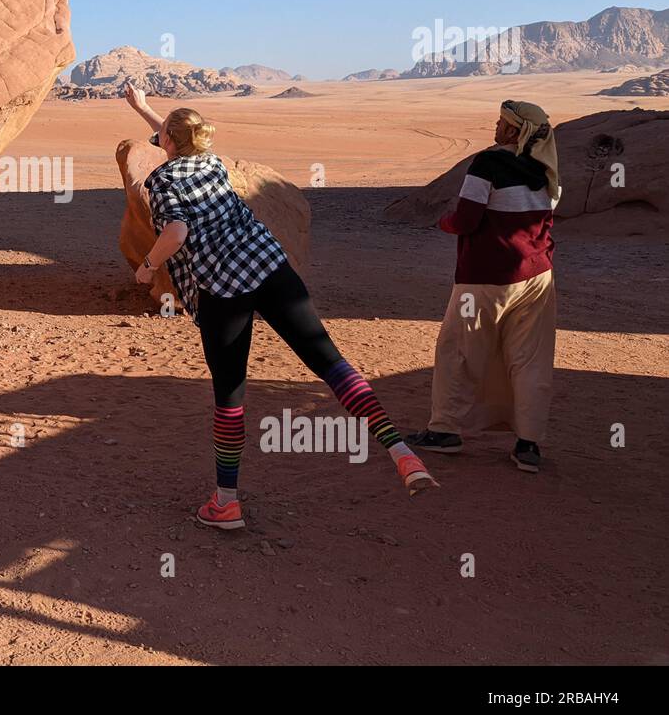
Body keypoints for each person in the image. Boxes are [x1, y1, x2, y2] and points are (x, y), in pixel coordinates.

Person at [123, 83, 436, 529]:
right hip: (269, 268)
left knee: (229, 397)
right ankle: (402, 453)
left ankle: (226, 502)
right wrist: (147, 110)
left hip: (222, 290)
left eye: (164, 136)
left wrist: (148, 264)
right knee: (330, 362)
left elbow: (176, 231)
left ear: (169, 142)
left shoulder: (164, 180)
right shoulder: (210, 162)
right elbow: (177, 141)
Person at [407, 100, 559, 473]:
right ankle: (528, 445)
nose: (496, 126)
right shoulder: (547, 171)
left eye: (503, 122)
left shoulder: (487, 164)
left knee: (457, 349)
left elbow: (466, 219)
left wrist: (444, 223)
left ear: (515, 131)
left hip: (484, 280)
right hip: (537, 279)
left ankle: (444, 431)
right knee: (530, 360)